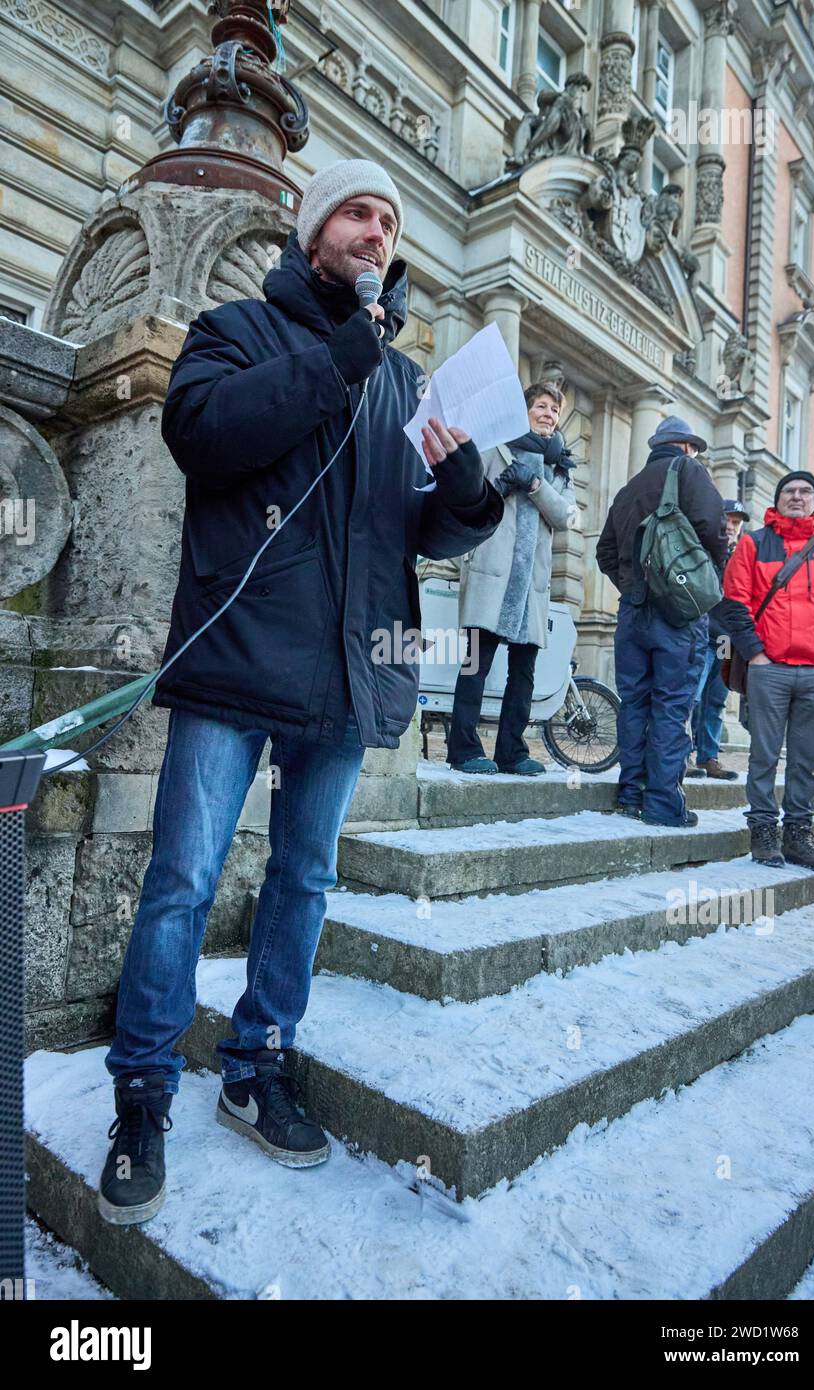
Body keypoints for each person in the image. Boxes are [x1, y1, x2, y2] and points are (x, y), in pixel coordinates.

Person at [97, 159, 504, 1225]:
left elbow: (427, 526)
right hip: (240, 653)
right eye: (358, 213)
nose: (377, 230)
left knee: (306, 878)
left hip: (349, 659)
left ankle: (258, 1058)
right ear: (316, 228)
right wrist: (335, 365)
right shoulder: (239, 325)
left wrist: (464, 479)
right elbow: (203, 435)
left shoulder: (409, 382)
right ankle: (141, 1089)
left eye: (390, 218)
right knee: (183, 875)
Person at [596, 415, 727, 825]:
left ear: (656, 446)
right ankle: (664, 805)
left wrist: (634, 585)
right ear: (686, 446)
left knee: (634, 704)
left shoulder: (626, 489)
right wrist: (700, 577)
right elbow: (714, 530)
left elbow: (604, 553)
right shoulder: (689, 471)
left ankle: (630, 794)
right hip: (677, 616)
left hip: (632, 615)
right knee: (672, 706)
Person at [446, 382, 578, 775]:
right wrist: (502, 484)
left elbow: (567, 517)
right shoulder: (496, 446)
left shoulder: (560, 467)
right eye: (541, 406)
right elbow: (469, 497)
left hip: (530, 586)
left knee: (524, 672)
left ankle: (512, 751)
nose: (548, 414)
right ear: (525, 411)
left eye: (554, 410)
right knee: (475, 665)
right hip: (492, 573)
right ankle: (463, 749)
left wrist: (535, 485)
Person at [721, 470, 814, 869]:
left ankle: (797, 835)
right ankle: (763, 831)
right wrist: (756, 653)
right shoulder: (754, 543)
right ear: (777, 499)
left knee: (806, 760)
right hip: (769, 667)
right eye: (789, 490)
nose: (797, 496)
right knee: (763, 756)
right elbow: (734, 601)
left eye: (805, 491)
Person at [689, 499, 750, 780]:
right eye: (727, 519)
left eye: (736, 522)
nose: (731, 526)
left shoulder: (743, 557)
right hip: (702, 634)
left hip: (726, 641)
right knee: (691, 697)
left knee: (715, 701)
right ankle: (683, 755)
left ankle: (708, 758)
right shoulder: (705, 552)